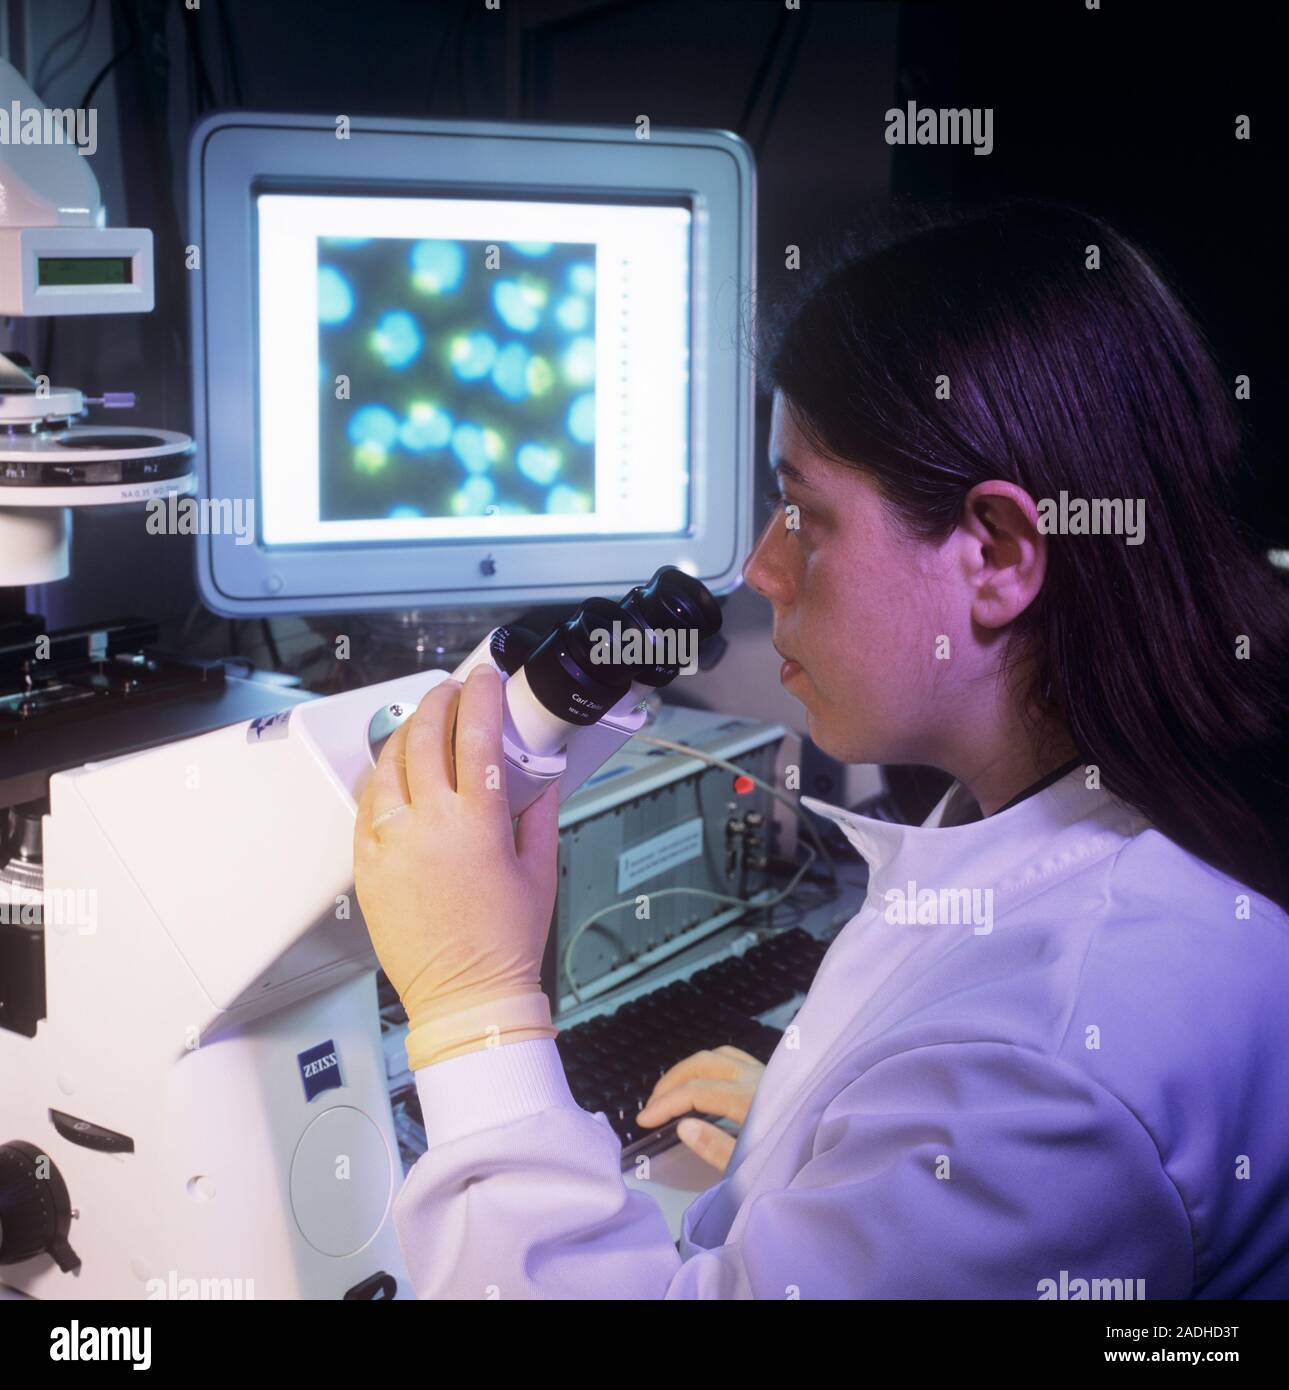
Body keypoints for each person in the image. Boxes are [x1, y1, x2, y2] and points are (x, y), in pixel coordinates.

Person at [353, 201, 1289, 1299]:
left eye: (801, 511)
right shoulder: (1120, 823)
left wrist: (473, 1004)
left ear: (994, 554)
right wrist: (831, 1141)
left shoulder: (1045, 1075)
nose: (760, 565)